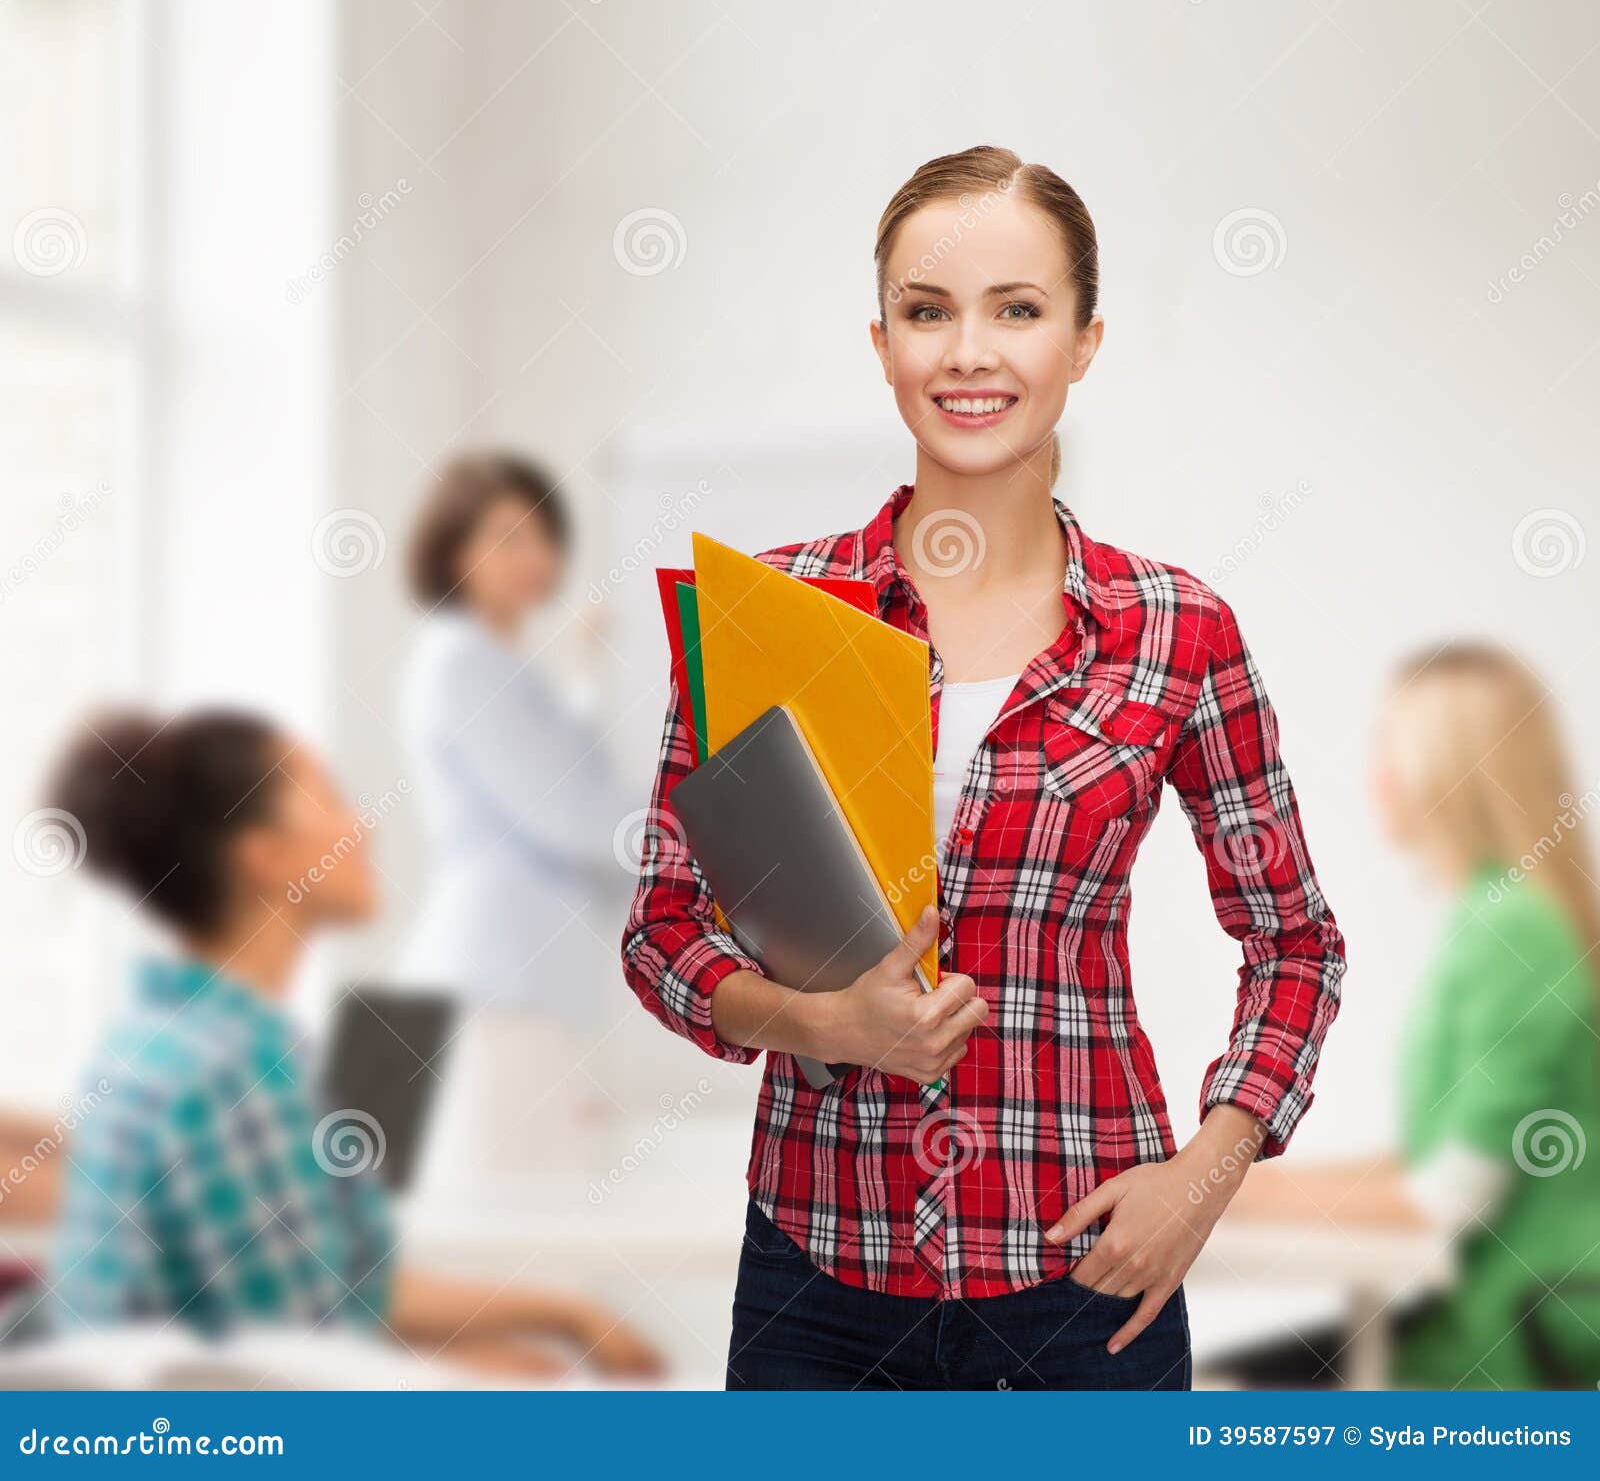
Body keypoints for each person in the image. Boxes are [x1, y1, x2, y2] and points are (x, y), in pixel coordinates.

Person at [622, 144, 1347, 1390]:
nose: (968, 352)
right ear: (882, 341)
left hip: (1082, 1288)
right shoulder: (772, 609)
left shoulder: (1176, 631)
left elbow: (1295, 947)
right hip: (816, 1271)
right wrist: (819, 1022)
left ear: (1083, 341)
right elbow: (663, 927)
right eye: (927, 311)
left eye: (1017, 309)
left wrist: (1201, 1183)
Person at [24, 708, 661, 1382]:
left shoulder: (159, 1040)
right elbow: (305, 1366)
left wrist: (560, 1315)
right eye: (327, 799)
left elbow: (340, 1296)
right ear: (262, 855)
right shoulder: (233, 1073)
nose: (361, 827)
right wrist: (489, 1374)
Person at [1227, 643, 1600, 1389]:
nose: (1377, 781)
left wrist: (1208, 1201)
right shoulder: (1497, 915)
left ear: (1450, 775)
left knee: (1202, 1399)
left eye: (1391, 753)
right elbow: (1436, 1159)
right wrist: (1220, 1182)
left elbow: (1447, 1199)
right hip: (1485, 1327)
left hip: (1510, 1349)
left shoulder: (1512, 929)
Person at [399, 452, 634, 1179]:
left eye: (542, 535)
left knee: (532, 1221)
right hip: (494, 984)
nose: (534, 555)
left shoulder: (495, 662)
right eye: (507, 536)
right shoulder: (460, 660)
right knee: (516, 1242)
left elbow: (566, 779)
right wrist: (701, 831)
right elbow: (568, 810)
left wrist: (588, 672)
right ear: (453, 548)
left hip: (516, 983)